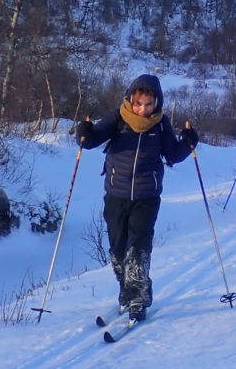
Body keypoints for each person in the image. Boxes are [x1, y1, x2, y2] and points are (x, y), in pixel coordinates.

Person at [76, 73, 198, 322]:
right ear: (131, 99)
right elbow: (92, 140)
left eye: (149, 104)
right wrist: (83, 133)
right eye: (139, 103)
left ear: (157, 103)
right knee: (118, 250)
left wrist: (188, 142)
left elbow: (173, 154)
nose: (143, 109)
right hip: (116, 193)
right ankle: (126, 291)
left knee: (138, 249)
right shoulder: (118, 117)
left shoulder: (160, 124)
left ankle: (138, 298)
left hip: (147, 195)